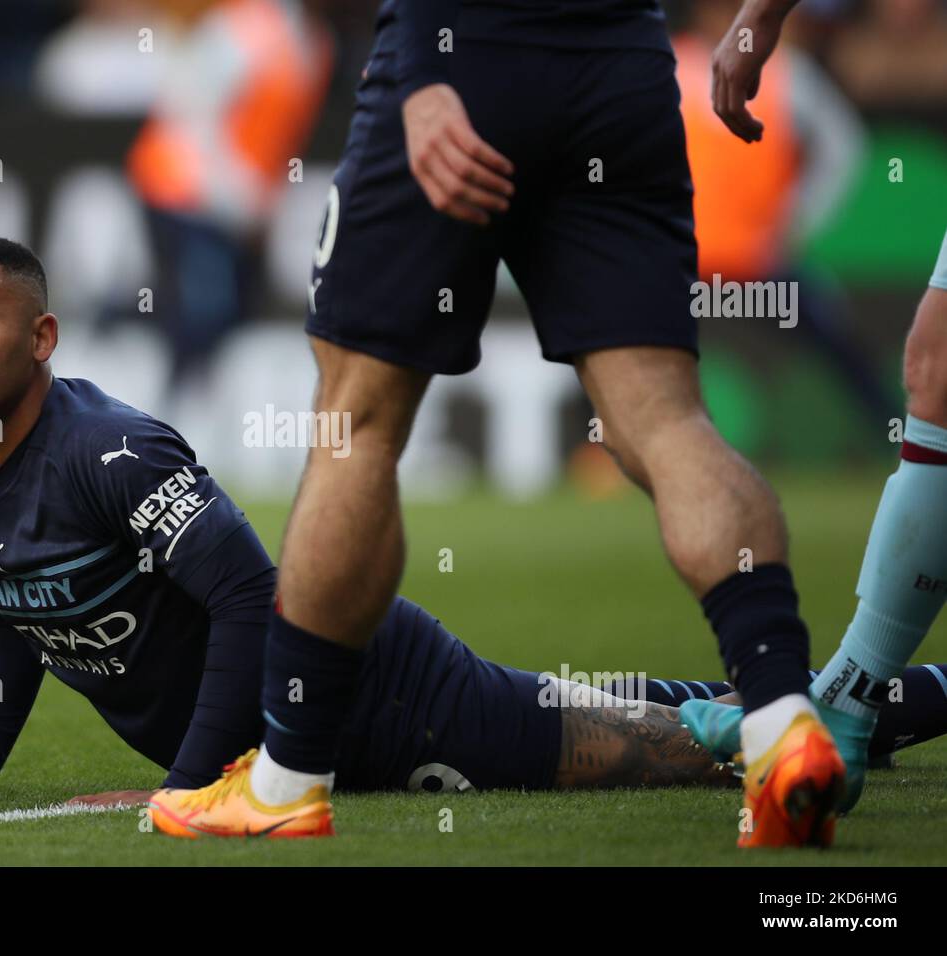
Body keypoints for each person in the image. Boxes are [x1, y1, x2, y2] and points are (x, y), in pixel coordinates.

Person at [0, 235, 947, 831]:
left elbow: (250, 596)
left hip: (376, 693)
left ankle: (818, 715)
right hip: (284, 740)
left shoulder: (111, 451)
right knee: (681, 707)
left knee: (682, 756)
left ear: (41, 336)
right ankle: (871, 694)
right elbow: (8, 602)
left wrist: (189, 780)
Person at [150, 0, 844, 847]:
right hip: (624, 63)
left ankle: (288, 780)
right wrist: (760, 20)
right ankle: (779, 719)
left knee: (356, 425)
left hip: (460, 49)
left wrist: (423, 72)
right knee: (664, 421)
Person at [678, 0, 947, 817]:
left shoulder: (699, 68)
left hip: (729, 264)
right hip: (723, 265)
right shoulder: (733, 68)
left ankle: (845, 699)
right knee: (930, 367)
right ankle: (848, 699)